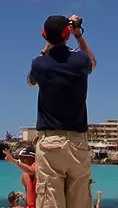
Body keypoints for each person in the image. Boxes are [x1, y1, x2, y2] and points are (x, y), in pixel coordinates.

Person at [27, 14, 96, 208]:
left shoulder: (39, 63)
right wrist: (78, 35)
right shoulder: (80, 61)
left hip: (50, 144)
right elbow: (93, 62)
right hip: (78, 144)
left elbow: (30, 82)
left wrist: (47, 47)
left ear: (44, 35)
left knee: (50, 200)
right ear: (67, 34)